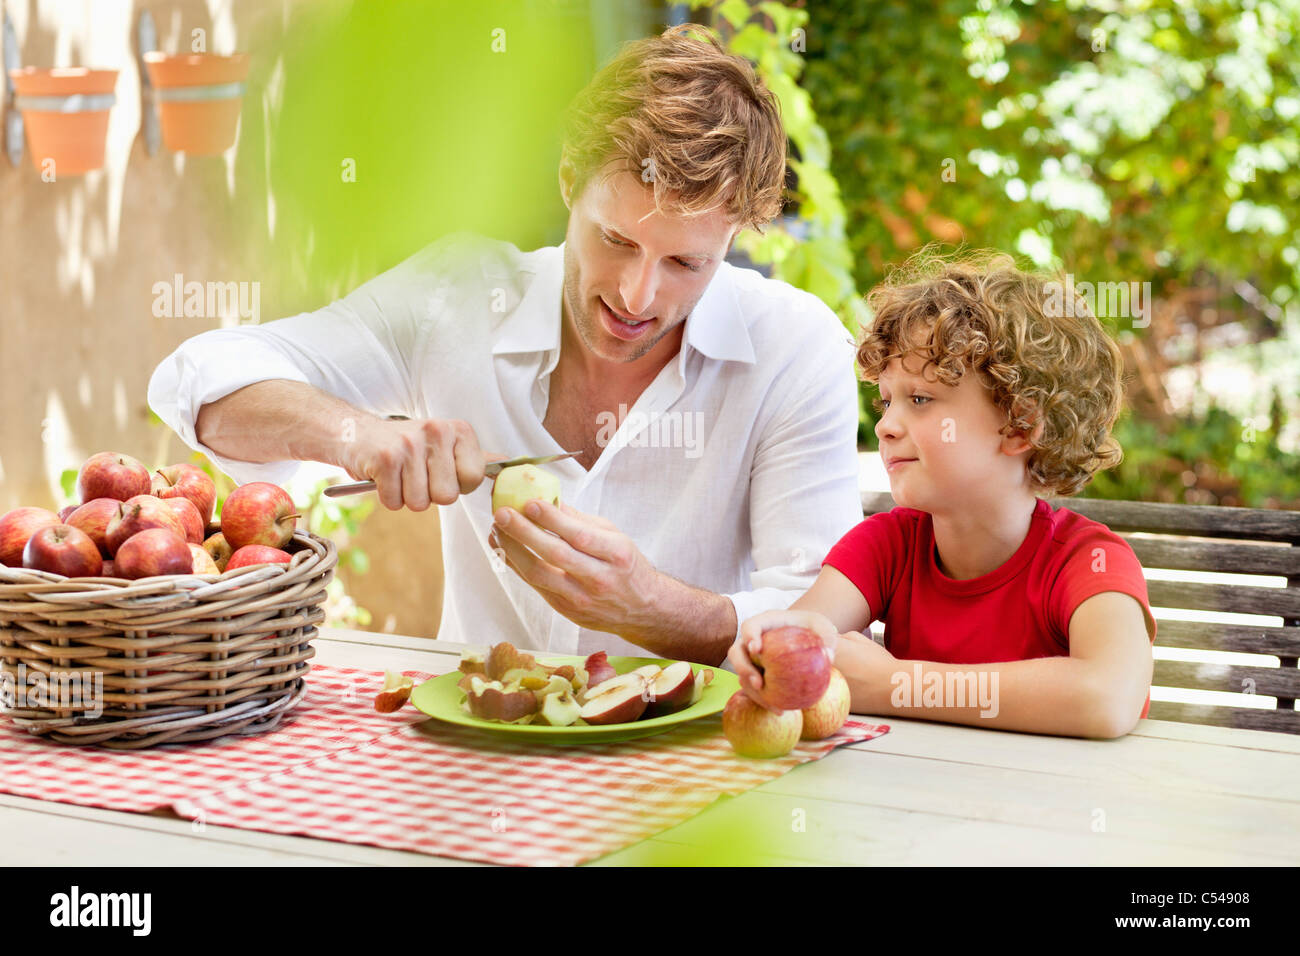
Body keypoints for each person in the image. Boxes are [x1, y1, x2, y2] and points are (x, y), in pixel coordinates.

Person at [147, 25, 864, 663]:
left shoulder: (795, 351)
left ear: (733, 237)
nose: (637, 296)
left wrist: (652, 610)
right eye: (615, 240)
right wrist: (355, 433)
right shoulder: (458, 295)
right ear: (567, 182)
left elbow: (822, 619)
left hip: (704, 782)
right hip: (472, 772)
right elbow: (199, 378)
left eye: (686, 263)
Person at [730, 249, 1157, 739]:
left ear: (1020, 427)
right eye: (887, 400)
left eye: (920, 400)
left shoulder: (1089, 562)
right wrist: (767, 646)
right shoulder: (886, 545)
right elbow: (804, 633)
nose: (887, 426)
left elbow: (1106, 698)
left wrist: (896, 684)